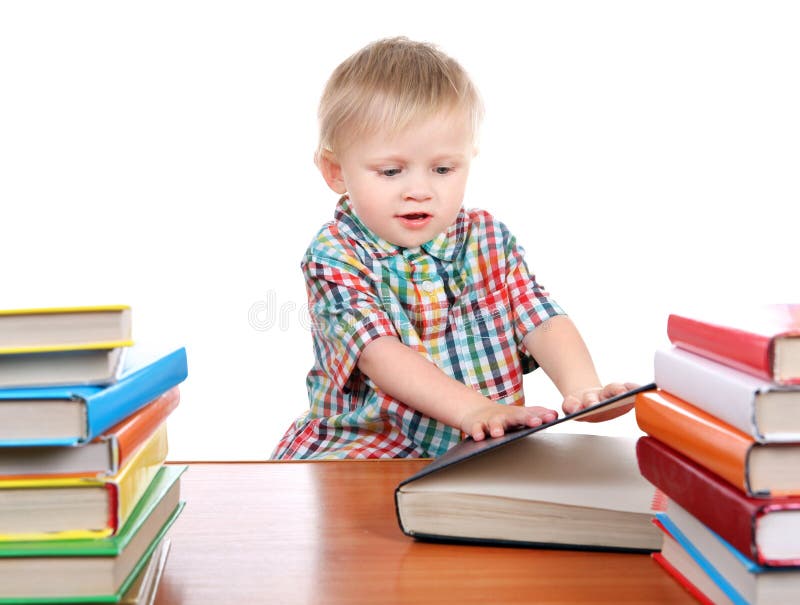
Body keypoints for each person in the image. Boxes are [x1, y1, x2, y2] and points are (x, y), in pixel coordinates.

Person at [272, 37, 636, 460]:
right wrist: (473, 409)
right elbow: (379, 354)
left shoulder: (486, 238)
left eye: (443, 169)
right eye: (391, 171)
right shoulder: (335, 253)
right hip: (366, 445)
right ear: (336, 171)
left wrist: (582, 388)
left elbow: (540, 318)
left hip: (481, 444)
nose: (420, 191)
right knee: (356, 510)